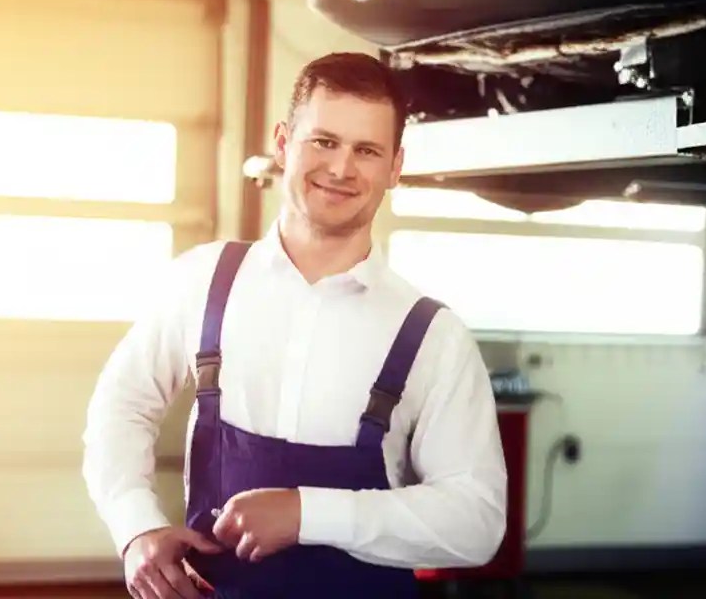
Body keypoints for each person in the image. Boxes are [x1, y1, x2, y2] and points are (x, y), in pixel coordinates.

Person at [82, 52, 507, 599]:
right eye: (324, 142)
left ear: (395, 167)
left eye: (367, 150)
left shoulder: (433, 336)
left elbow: (477, 520)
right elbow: (121, 406)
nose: (340, 168)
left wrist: (309, 513)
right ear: (283, 142)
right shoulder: (204, 281)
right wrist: (135, 525)